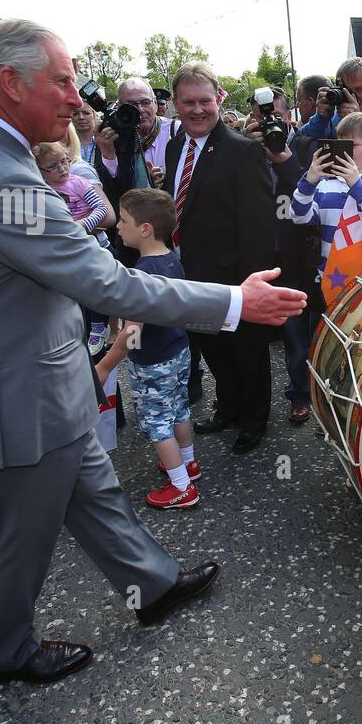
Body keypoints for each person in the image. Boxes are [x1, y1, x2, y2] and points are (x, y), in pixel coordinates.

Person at [0, 19, 306, 684]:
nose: (75, 98)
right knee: (18, 540)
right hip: (20, 399)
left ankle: (150, 587)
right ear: (10, 82)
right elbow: (105, 281)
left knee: (93, 495)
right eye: (62, 81)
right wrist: (235, 303)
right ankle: (7, 653)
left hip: (39, 386)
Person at [162, 61, 278, 454]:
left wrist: (253, 289)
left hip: (235, 278)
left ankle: (254, 420)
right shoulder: (177, 145)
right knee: (214, 352)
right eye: (188, 102)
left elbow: (260, 226)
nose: (198, 110)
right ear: (175, 104)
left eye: (205, 101)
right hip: (189, 274)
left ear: (219, 99)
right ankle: (228, 407)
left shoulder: (243, 152)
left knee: (247, 353)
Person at [94, 188, 201, 509]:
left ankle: (181, 487)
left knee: (156, 421)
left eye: (123, 220)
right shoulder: (172, 260)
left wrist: (104, 366)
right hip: (178, 351)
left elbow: (131, 333)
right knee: (179, 408)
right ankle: (187, 463)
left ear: (145, 229)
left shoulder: (142, 275)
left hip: (152, 361)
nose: (117, 226)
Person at [245, 84, 320, 424]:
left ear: (289, 114)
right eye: (265, 115)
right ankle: (279, 398)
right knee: (271, 335)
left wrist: (285, 161)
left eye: (277, 113)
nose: (272, 121)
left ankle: (310, 393)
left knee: (305, 331)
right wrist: (248, 146)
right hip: (260, 253)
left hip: (300, 252)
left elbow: (313, 190)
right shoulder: (246, 147)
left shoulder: (306, 145)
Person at [292, 111, 362, 289]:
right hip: (332, 277)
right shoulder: (326, 181)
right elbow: (300, 217)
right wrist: (308, 182)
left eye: (354, 145)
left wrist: (358, 186)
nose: (347, 153)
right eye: (342, 145)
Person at [92, 75, 178, 206]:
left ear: (155, 103)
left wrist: (166, 179)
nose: (140, 110)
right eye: (131, 105)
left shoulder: (177, 131)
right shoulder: (111, 137)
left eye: (145, 102)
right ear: (119, 106)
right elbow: (109, 191)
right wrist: (108, 155)